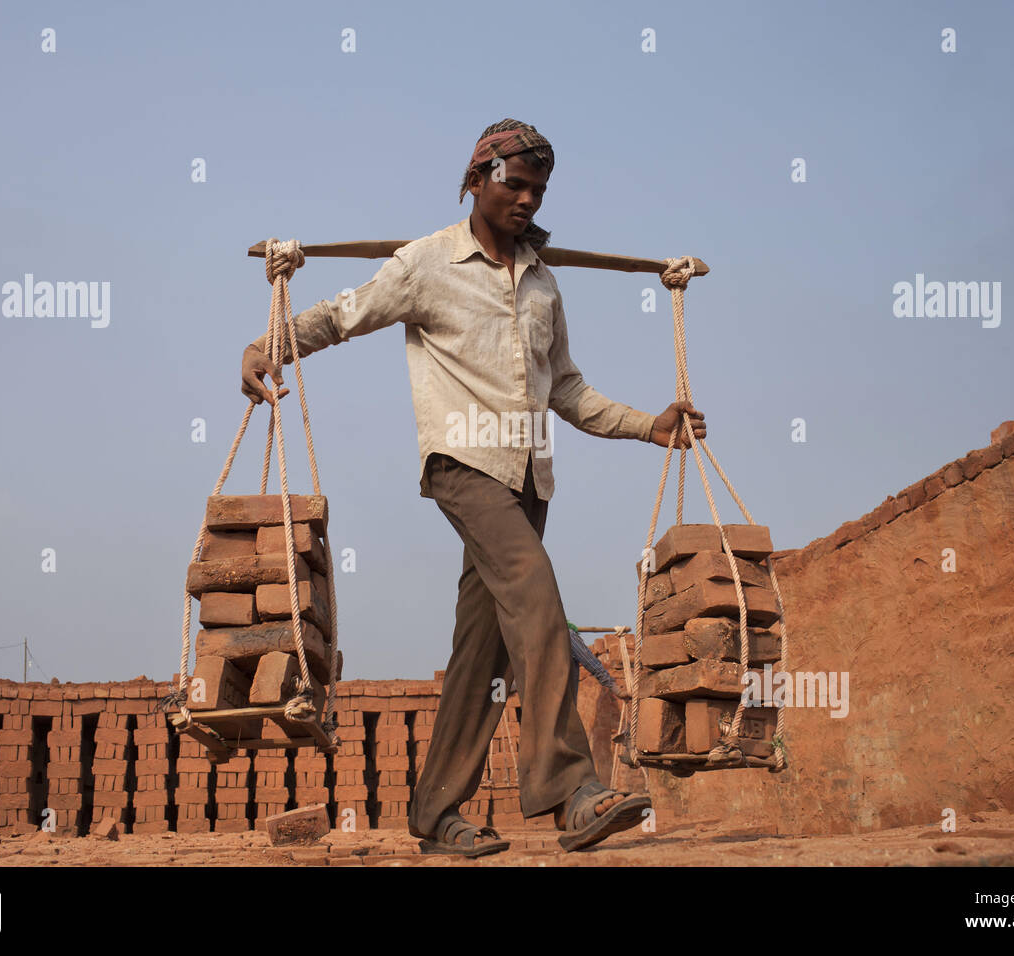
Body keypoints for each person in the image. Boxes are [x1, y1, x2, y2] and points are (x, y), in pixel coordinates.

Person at [239, 118, 706, 855]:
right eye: (513, 183)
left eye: (537, 190)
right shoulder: (427, 262)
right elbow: (345, 315)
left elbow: (571, 392)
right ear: (477, 178)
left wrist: (651, 424)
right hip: (463, 467)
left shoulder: (544, 284)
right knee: (536, 592)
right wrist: (271, 345)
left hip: (528, 480)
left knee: (481, 657)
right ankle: (571, 791)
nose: (525, 199)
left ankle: (434, 814)